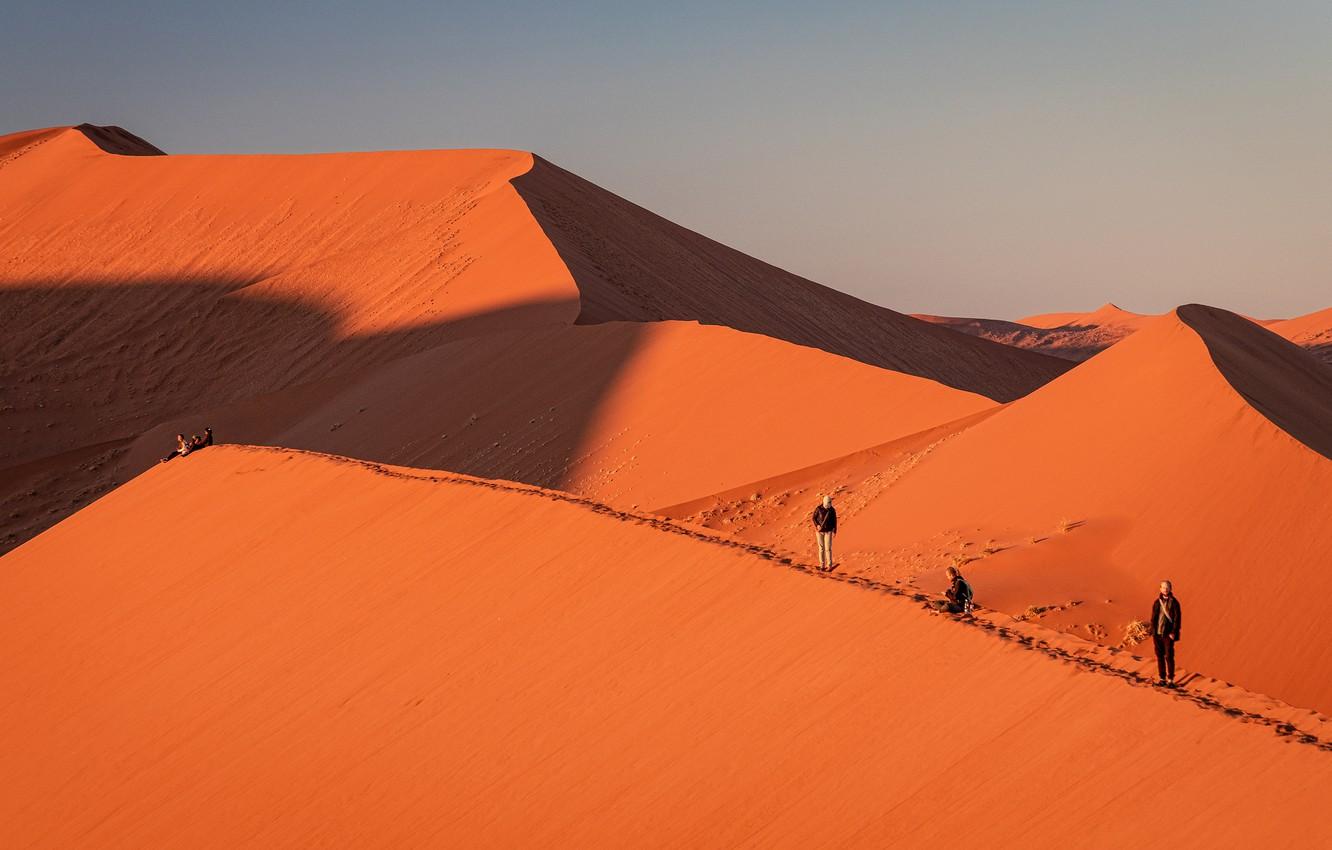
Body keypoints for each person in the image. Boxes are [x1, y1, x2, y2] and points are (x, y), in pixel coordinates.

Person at [1150, 580, 1182, 686]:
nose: (1165, 589)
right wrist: (1153, 631)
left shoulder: (1174, 603)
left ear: (1171, 589)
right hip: (1157, 634)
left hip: (1168, 634)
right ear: (1160, 589)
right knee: (1159, 656)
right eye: (1163, 587)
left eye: (1167, 587)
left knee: (1169, 656)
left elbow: (1177, 619)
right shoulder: (1156, 602)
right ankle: (1162, 678)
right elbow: (1153, 618)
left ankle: (1171, 680)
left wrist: (1174, 632)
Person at [812, 495, 837, 571]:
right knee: (821, 548)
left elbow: (834, 521)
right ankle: (822, 565)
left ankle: (829, 565)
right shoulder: (818, 509)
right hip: (819, 532)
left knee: (828, 548)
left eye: (829, 504)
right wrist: (817, 525)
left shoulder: (832, 510)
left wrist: (835, 530)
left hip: (828, 531)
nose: (828, 506)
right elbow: (814, 518)